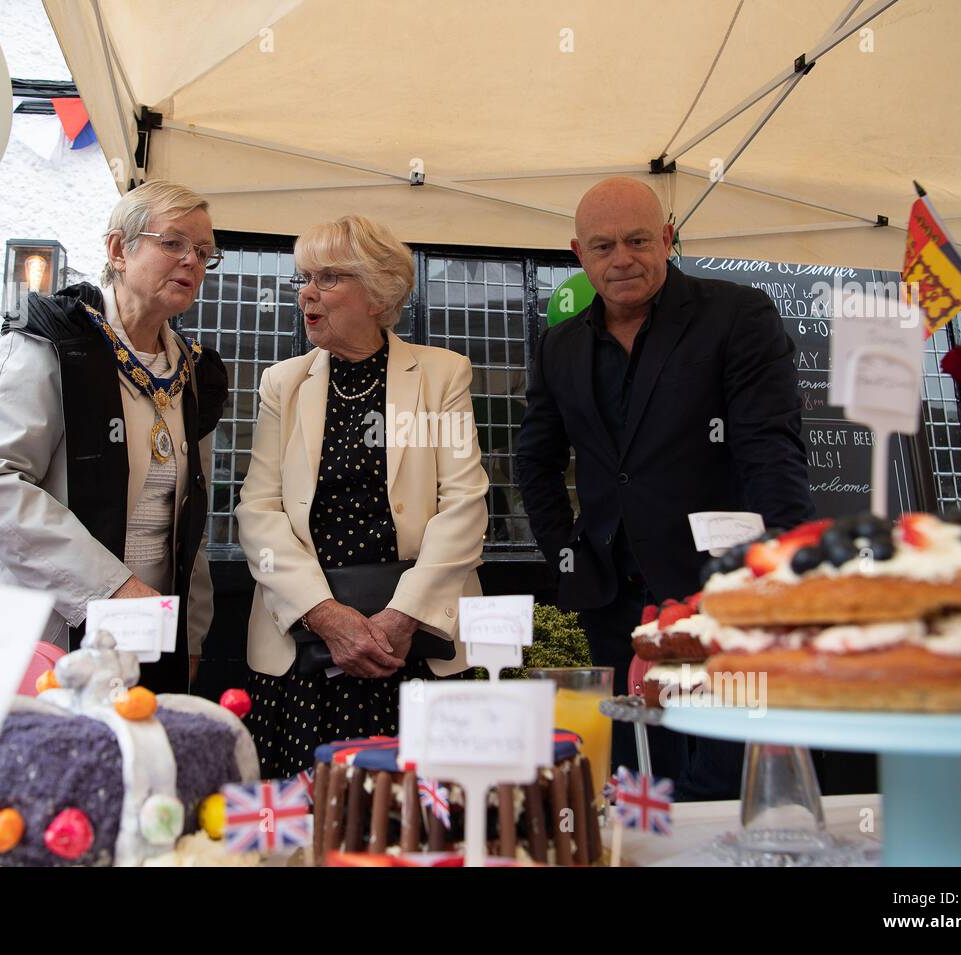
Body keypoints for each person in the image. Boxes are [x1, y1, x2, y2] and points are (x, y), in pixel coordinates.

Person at [516, 178, 813, 799]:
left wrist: (776, 568)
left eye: (637, 240)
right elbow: (534, 464)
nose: (621, 259)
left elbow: (769, 448)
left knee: (731, 771)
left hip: (720, 591)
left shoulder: (736, 314)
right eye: (603, 247)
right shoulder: (558, 348)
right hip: (612, 597)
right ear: (579, 255)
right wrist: (567, 553)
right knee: (638, 779)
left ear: (668, 239)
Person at [0, 181, 229, 693]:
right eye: (174, 243)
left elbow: (191, 520)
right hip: (31, 631)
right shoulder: (50, 341)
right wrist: (110, 587)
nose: (192, 261)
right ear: (119, 249)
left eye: (205, 252)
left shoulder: (193, 374)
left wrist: (189, 637)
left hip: (141, 639)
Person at [235, 215, 489, 777]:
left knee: (425, 831)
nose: (306, 291)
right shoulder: (283, 383)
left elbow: (466, 506)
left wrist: (402, 617)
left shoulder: (442, 376)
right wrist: (326, 616)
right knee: (308, 832)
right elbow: (259, 511)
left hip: (416, 648)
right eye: (304, 277)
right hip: (306, 649)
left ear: (377, 294)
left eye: (328, 278)